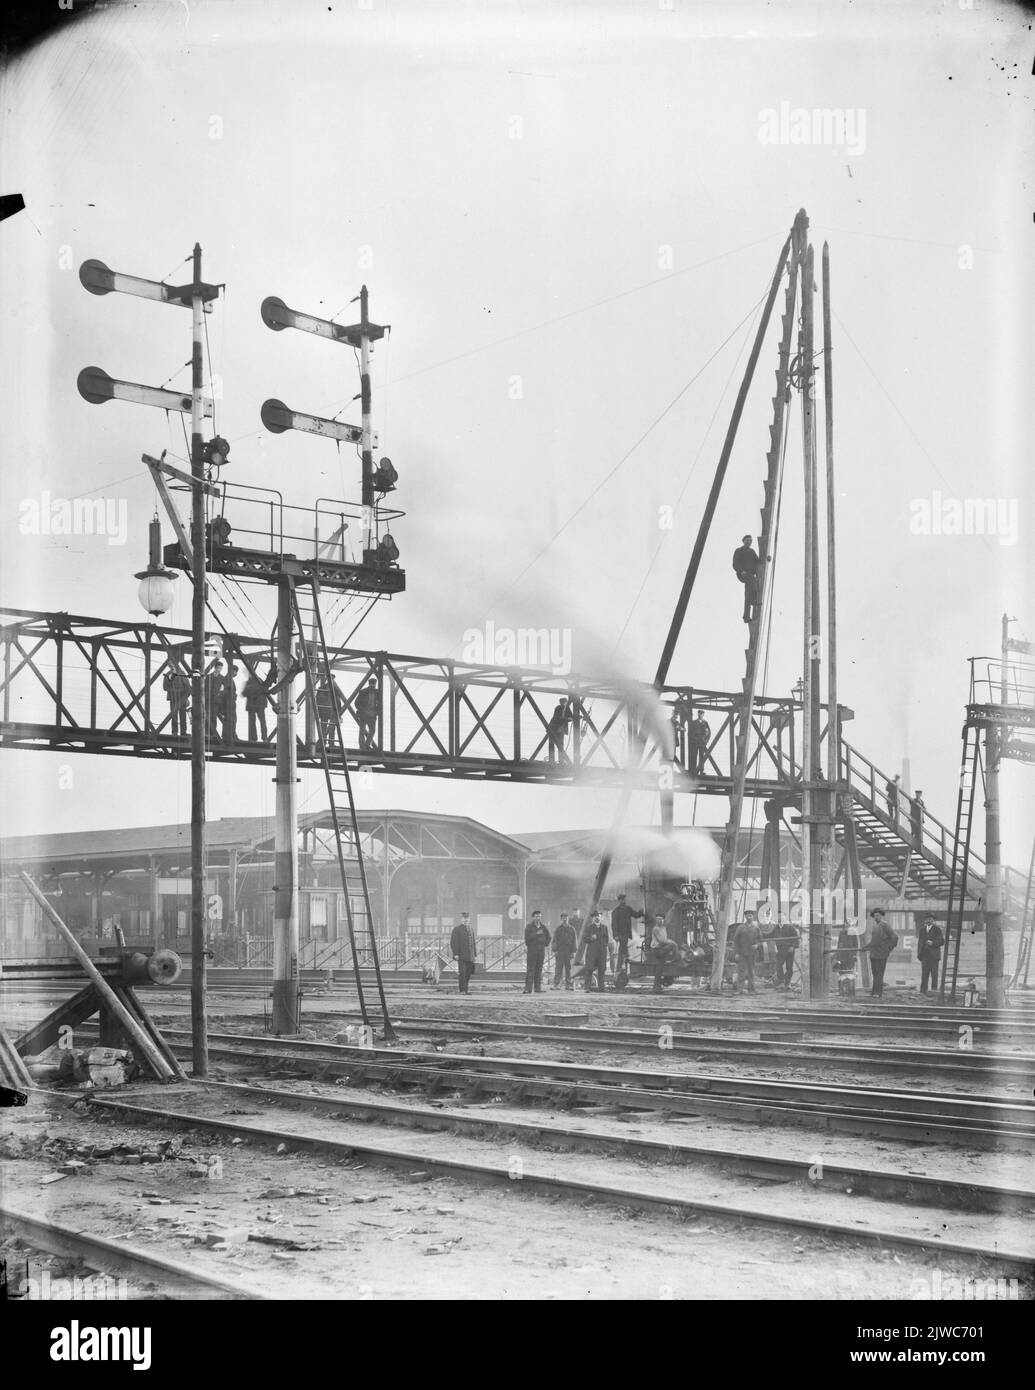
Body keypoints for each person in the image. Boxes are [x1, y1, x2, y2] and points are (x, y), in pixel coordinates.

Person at [867, 907, 898, 1000]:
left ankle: (878, 993)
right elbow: (874, 941)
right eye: (875, 916)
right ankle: (874, 992)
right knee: (875, 973)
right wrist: (866, 947)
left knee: (879, 974)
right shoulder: (875, 926)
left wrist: (888, 948)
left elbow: (895, 937)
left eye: (878, 915)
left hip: (881, 954)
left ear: (881, 916)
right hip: (873, 954)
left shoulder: (885, 925)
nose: (877, 917)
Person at [609, 893, 644, 973]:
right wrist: (615, 935)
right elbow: (613, 924)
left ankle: (622, 967)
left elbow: (636, 915)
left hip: (627, 934)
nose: (623, 901)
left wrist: (642, 911)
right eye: (622, 899)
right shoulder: (616, 911)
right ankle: (619, 969)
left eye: (624, 899)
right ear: (619, 901)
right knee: (622, 951)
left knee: (623, 951)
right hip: (620, 935)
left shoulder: (628, 909)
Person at [576, 910, 610, 992]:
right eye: (595, 916)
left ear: (601, 917)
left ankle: (601, 988)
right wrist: (591, 938)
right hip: (592, 953)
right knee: (589, 969)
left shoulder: (604, 928)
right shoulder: (589, 928)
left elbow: (606, 939)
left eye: (598, 916)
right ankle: (586, 988)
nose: (597, 918)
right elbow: (585, 939)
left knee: (601, 970)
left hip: (602, 953)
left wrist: (604, 947)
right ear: (593, 918)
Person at [731, 910, 762, 994]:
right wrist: (736, 953)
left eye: (751, 916)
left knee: (751, 971)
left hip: (752, 954)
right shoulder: (740, 928)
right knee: (741, 971)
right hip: (742, 953)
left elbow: (760, 940)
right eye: (748, 916)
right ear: (745, 917)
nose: (749, 917)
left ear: (753, 917)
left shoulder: (756, 928)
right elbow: (736, 941)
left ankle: (751, 990)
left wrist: (757, 945)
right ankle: (739, 990)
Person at [732, 534, 760, 623]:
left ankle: (746, 617)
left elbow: (758, 561)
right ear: (743, 541)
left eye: (750, 541)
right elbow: (735, 563)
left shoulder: (752, 551)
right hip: (742, 574)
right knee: (753, 583)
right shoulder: (739, 550)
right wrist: (741, 571)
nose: (749, 542)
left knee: (747, 595)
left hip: (750, 575)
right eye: (747, 540)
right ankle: (754, 600)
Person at [315, 674, 347, 750]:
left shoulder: (335, 690)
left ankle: (330, 743)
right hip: (324, 711)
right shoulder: (322, 689)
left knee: (331, 727)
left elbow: (338, 702)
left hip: (332, 711)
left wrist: (339, 713)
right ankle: (323, 742)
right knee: (324, 727)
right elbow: (318, 700)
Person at [243, 665, 274, 742]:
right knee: (262, 721)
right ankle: (264, 738)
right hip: (260, 705)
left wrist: (248, 692)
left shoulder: (250, 682)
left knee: (254, 722)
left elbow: (244, 693)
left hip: (254, 705)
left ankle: (254, 738)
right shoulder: (258, 680)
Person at [449, 911, 478, 994]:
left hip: (470, 956)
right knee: (462, 973)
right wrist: (456, 954)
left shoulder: (471, 929)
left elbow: (473, 943)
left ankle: (466, 990)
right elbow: (454, 942)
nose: (466, 920)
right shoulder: (457, 929)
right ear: (461, 919)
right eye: (464, 918)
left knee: (468, 974)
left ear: (469, 919)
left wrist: (475, 954)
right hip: (461, 955)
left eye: (467, 918)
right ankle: (462, 990)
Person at [649, 913, 679, 993]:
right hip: (657, 950)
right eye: (658, 919)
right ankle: (676, 960)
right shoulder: (656, 929)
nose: (660, 921)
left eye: (661, 919)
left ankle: (656, 987)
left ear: (663, 920)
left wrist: (673, 908)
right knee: (673, 945)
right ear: (656, 920)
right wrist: (671, 942)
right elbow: (661, 940)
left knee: (660, 969)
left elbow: (669, 917)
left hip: (661, 949)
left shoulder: (663, 927)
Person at [523, 910, 551, 994]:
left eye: (539, 916)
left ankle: (537, 988)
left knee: (539, 970)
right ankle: (528, 988)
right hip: (532, 950)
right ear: (533, 917)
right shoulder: (529, 927)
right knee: (531, 969)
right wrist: (537, 933)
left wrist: (545, 944)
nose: (538, 918)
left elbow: (549, 937)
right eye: (536, 916)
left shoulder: (543, 927)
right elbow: (527, 939)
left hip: (541, 950)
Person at [917, 915, 945, 995]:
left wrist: (933, 943)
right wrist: (919, 954)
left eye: (930, 919)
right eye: (927, 919)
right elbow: (920, 942)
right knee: (924, 974)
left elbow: (941, 941)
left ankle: (934, 991)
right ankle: (923, 991)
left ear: (933, 920)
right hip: (924, 956)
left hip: (934, 956)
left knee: (934, 975)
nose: (928, 920)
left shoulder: (937, 929)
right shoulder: (922, 929)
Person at [163, 659, 191, 737]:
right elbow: (165, 687)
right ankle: (174, 732)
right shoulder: (168, 674)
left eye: (172, 665)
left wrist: (185, 697)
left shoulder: (181, 673)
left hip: (182, 697)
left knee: (183, 716)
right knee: (174, 715)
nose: (171, 666)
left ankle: (183, 732)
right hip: (173, 697)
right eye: (169, 665)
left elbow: (188, 687)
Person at [552, 911, 577, 989]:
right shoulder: (558, 929)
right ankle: (556, 984)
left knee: (568, 968)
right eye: (563, 918)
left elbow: (574, 940)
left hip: (568, 951)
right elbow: (555, 940)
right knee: (558, 968)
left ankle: (568, 984)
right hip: (560, 951)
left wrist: (573, 951)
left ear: (568, 919)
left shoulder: (572, 929)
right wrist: (555, 950)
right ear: (561, 919)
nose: (564, 919)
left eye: (566, 918)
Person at [354, 676, 380, 751]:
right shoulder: (363, 692)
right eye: (372, 684)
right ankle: (363, 745)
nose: (372, 686)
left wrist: (376, 711)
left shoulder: (377, 692)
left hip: (372, 714)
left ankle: (367, 744)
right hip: (364, 714)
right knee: (363, 730)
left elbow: (379, 704)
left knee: (371, 730)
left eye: (373, 684)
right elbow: (356, 703)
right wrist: (361, 710)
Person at [773, 917, 799, 988]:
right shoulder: (776, 928)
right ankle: (781, 981)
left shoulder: (790, 927)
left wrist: (793, 946)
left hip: (789, 950)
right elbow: (769, 935)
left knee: (789, 967)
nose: (780, 920)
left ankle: (787, 983)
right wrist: (759, 934)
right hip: (781, 950)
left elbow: (796, 938)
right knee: (778, 966)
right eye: (778, 918)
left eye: (781, 918)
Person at [205, 658, 226, 740]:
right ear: (215, 668)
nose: (219, 669)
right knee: (207, 716)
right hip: (208, 700)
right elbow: (205, 688)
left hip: (216, 701)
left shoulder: (222, 678)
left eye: (221, 668)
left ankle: (213, 734)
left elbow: (223, 690)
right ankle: (207, 733)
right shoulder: (208, 677)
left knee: (214, 717)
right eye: (218, 668)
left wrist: (219, 695)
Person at [547, 698, 572, 766]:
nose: (563, 703)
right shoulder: (558, 708)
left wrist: (574, 718)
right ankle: (551, 761)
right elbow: (557, 717)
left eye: (564, 702)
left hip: (561, 729)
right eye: (561, 702)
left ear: (566, 702)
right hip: (553, 728)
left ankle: (561, 761)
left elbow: (571, 716)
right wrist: (567, 719)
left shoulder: (567, 708)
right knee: (552, 744)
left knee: (560, 745)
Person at [686, 712, 711, 776]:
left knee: (701, 757)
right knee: (694, 756)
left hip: (702, 742)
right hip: (695, 742)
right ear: (698, 714)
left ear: (703, 715)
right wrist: (693, 740)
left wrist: (706, 741)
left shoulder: (705, 723)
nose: (700, 715)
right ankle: (693, 770)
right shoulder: (694, 722)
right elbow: (689, 732)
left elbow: (709, 733)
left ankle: (701, 771)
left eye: (701, 714)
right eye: (699, 714)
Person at [222, 659, 239, 742]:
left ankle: (230, 735)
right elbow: (225, 691)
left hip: (229, 702)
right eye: (236, 671)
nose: (236, 674)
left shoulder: (227, 678)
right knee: (231, 719)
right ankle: (231, 735)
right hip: (229, 703)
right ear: (233, 671)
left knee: (229, 719)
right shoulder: (228, 679)